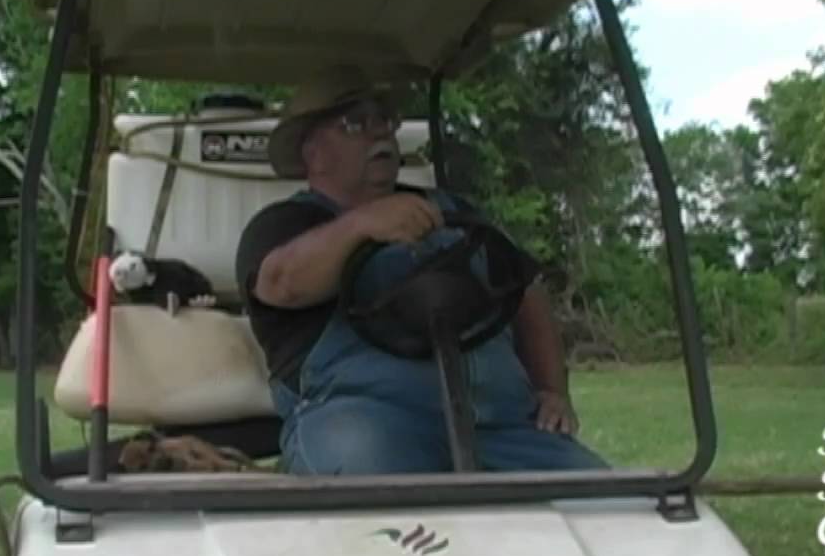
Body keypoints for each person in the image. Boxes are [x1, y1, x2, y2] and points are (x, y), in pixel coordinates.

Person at [235, 68, 608, 475]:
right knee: (377, 509)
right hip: (363, 425)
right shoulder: (284, 224)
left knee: (611, 510)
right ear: (312, 152)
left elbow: (527, 291)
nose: (379, 134)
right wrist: (362, 225)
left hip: (501, 428)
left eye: (385, 121)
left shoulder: (456, 213)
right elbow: (281, 283)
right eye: (356, 123)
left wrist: (551, 390)